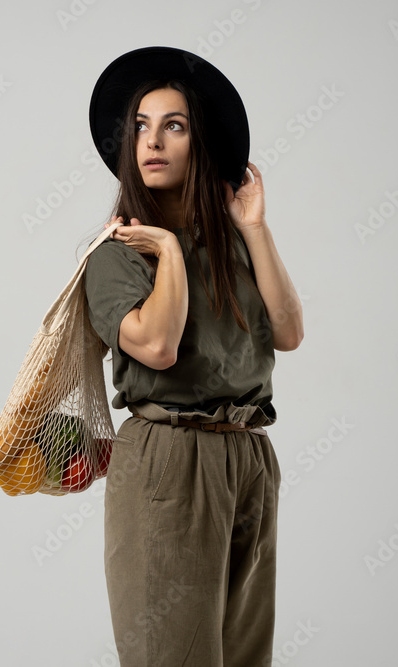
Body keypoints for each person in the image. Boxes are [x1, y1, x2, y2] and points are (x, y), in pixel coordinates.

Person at [83, 47, 304, 666]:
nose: (152, 141)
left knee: (244, 655)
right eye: (140, 127)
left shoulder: (232, 240)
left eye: (173, 126)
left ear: (199, 142)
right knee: (173, 655)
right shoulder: (118, 255)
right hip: (169, 457)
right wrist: (170, 252)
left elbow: (288, 332)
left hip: (249, 452)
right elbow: (157, 346)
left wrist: (254, 227)